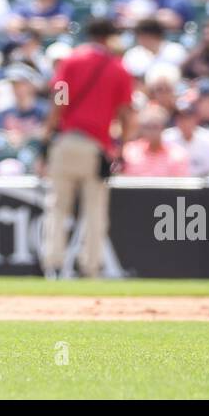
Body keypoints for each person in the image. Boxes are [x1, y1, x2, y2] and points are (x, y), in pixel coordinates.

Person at [39, 17, 134, 279]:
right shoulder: (118, 69)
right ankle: (90, 267)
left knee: (57, 207)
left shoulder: (71, 61)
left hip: (66, 142)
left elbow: (58, 101)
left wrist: (47, 137)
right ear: (111, 37)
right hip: (97, 147)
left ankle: (53, 264)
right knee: (95, 211)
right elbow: (127, 114)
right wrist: (121, 149)